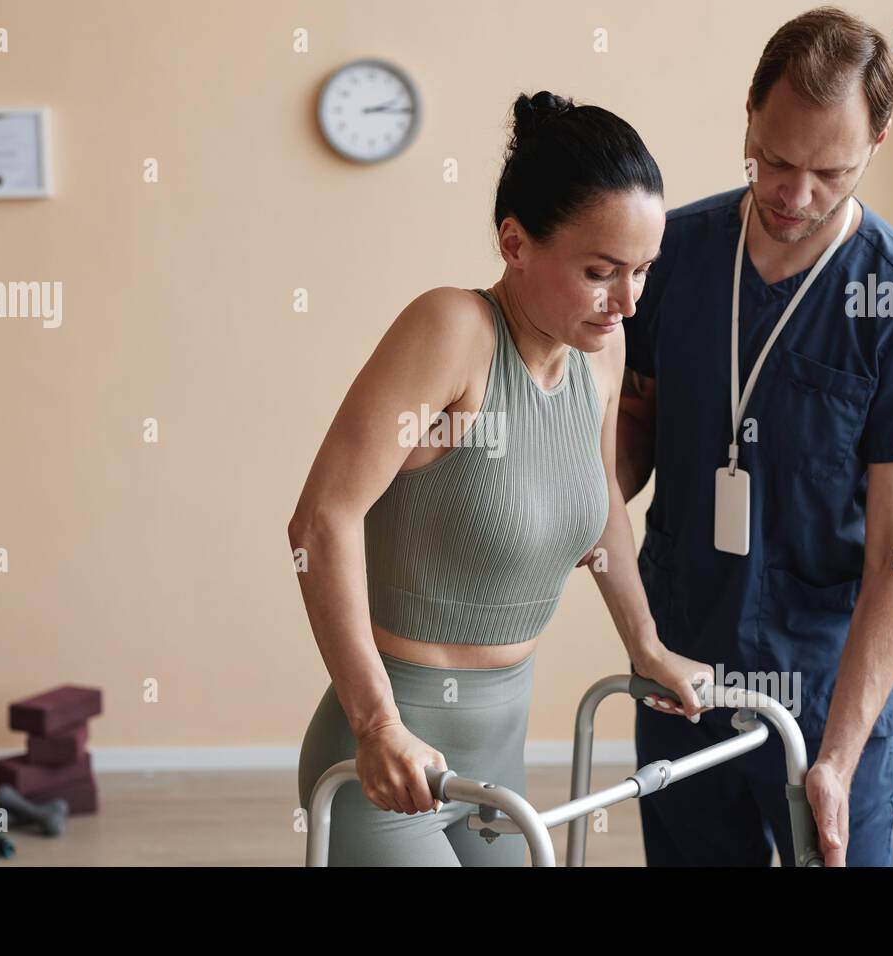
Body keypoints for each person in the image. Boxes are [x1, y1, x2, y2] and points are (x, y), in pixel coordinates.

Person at [291, 91, 713, 865]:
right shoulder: (452, 331)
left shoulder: (600, 352)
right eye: (600, 271)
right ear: (515, 243)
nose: (626, 302)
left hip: (498, 755)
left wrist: (646, 643)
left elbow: (602, 505)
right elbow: (321, 521)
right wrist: (376, 724)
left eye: (644, 272)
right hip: (387, 761)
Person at [617, 6, 893, 867]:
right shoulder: (673, 255)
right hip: (682, 676)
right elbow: (634, 424)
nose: (794, 194)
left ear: (879, 141)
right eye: (775, 160)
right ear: (749, 112)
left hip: (829, 692)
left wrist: (841, 756)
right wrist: (562, 501)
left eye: (831, 171)